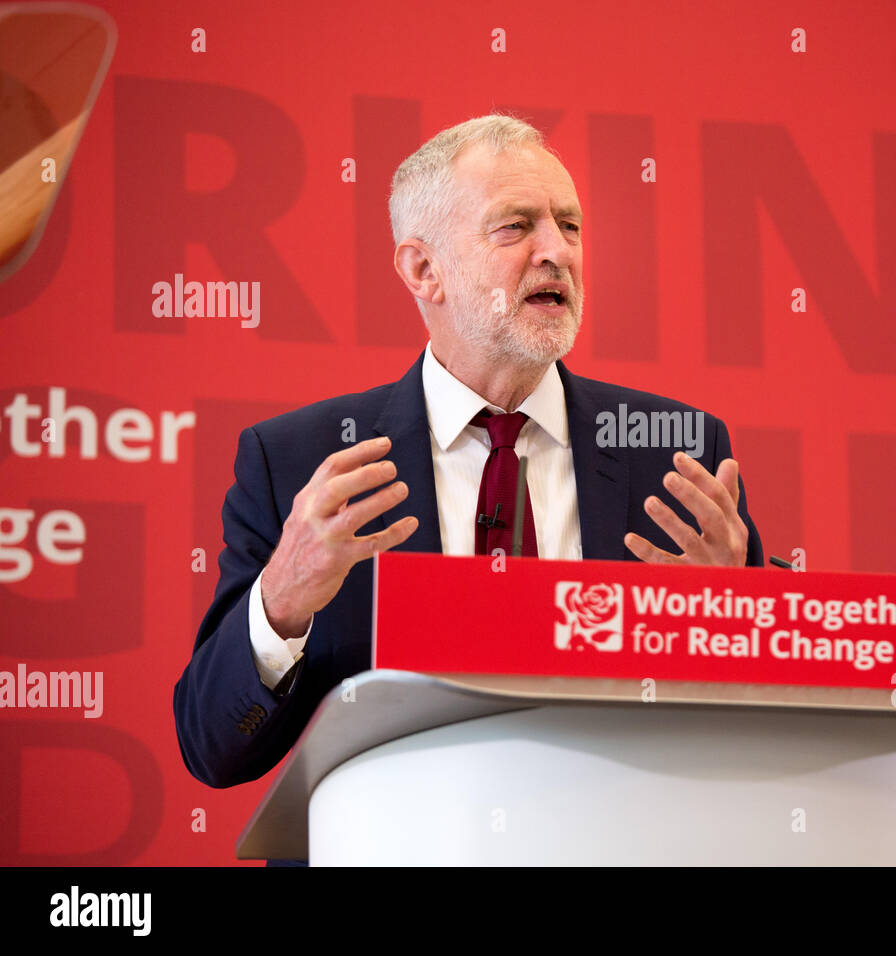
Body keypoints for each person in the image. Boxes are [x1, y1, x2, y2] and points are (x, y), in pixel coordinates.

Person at [172, 114, 764, 798]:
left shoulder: (675, 454)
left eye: (569, 227)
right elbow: (212, 748)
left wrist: (736, 621)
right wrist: (282, 600)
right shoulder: (296, 462)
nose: (558, 253)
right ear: (425, 270)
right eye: (516, 227)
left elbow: (756, 736)